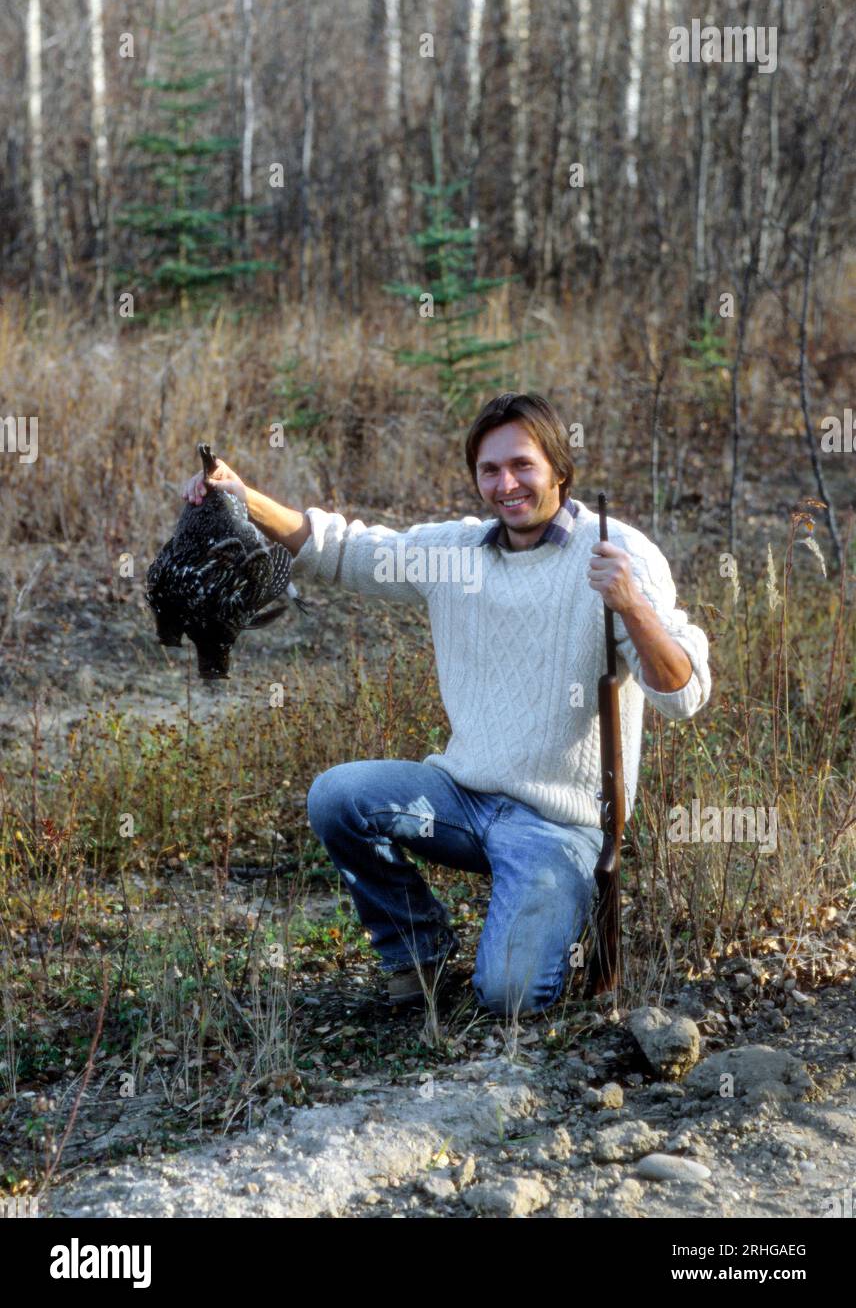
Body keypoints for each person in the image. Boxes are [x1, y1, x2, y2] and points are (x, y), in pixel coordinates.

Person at [182, 393, 711, 1018]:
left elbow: (683, 696)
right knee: (338, 796)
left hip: (560, 824)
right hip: (460, 799)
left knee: (509, 996)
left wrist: (631, 604)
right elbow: (342, 549)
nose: (506, 484)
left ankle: (554, 912)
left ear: (560, 471)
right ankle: (417, 954)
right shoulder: (456, 554)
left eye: (523, 465)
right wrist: (242, 496)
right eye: (490, 470)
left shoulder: (615, 552)